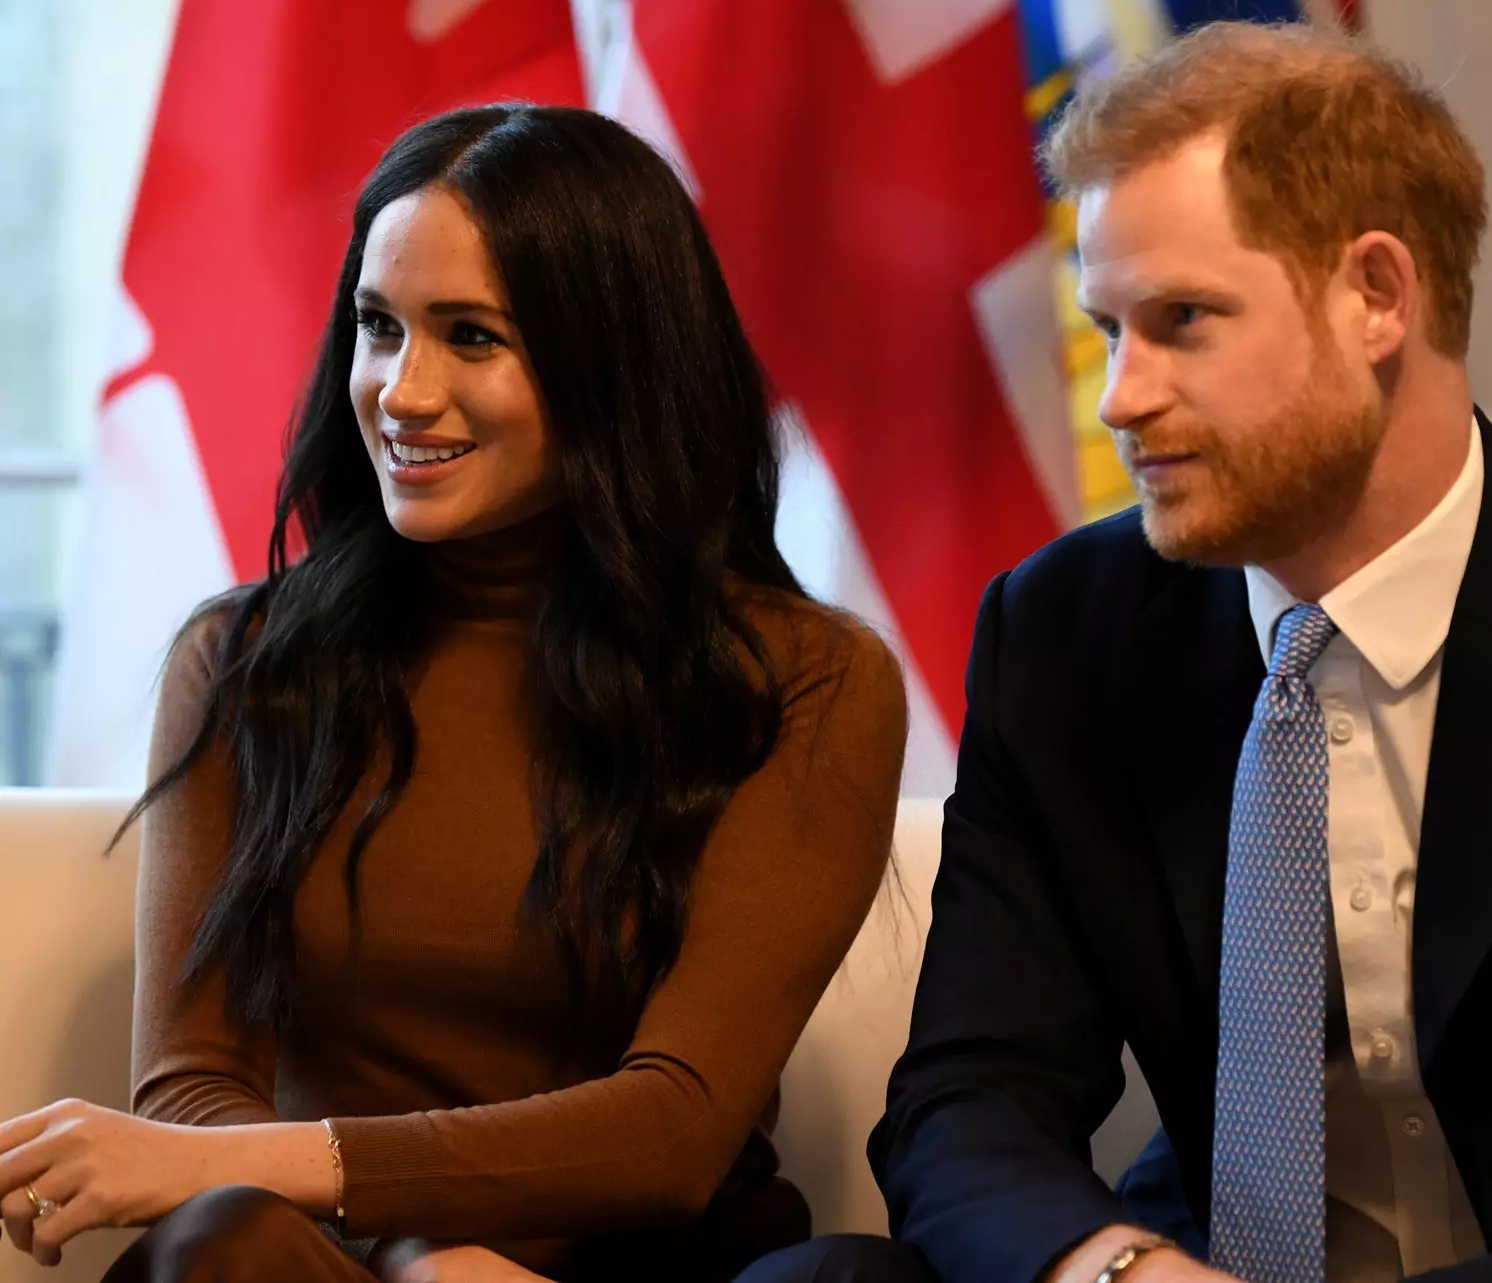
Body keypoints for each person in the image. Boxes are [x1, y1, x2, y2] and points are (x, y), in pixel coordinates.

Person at [745, 18, 1492, 1283]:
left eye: (1182, 320)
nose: (1116, 395)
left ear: (1377, 295)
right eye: (1105, 329)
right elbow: (970, 1096)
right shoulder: (1065, 632)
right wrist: (1116, 1270)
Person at [0, 103, 907, 1282]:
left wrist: (431, 1232)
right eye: (379, 327)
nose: (400, 391)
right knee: (222, 1238)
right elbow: (189, 1088)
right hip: (324, 1263)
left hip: (651, 1264)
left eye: (472, 336)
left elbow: (678, 1123)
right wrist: (411, 1250)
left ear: (615, 365)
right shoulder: (244, 659)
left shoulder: (807, 678)